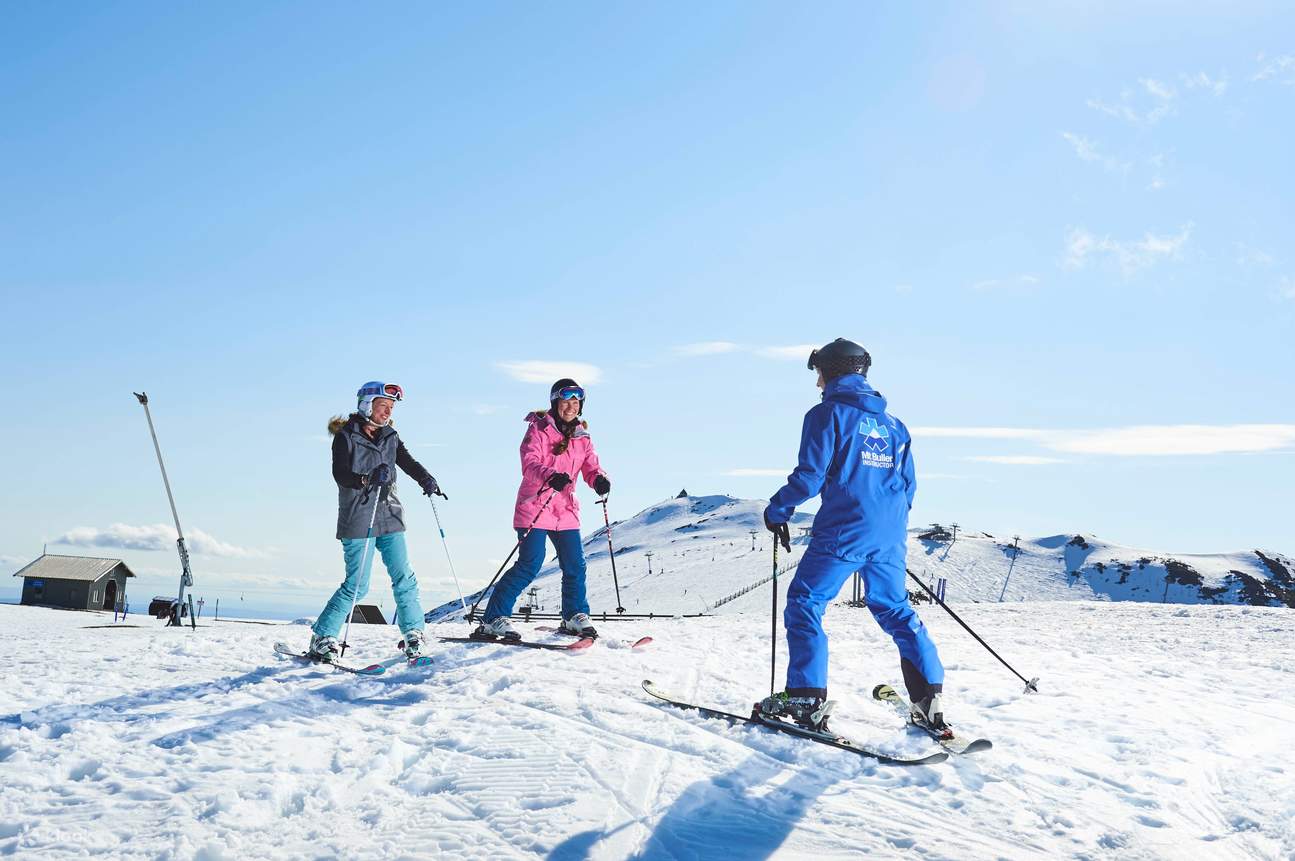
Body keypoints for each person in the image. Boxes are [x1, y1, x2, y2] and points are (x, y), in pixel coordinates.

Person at [757, 339, 947, 734]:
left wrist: (778, 510)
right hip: (890, 533)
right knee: (895, 610)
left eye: (818, 373)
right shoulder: (896, 426)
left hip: (844, 529)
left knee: (806, 602)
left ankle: (806, 698)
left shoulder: (827, 414)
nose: (816, 383)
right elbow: (908, 486)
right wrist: (884, 527)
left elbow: (809, 477)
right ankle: (930, 699)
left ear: (830, 370)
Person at [308, 381, 445, 663]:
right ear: (366, 405)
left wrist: (426, 479)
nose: (386, 412)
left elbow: (406, 461)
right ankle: (322, 636)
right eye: (382, 406)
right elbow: (340, 474)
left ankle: (414, 634)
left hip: (390, 515)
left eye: (390, 407)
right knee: (358, 585)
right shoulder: (346, 436)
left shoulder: (390, 436)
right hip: (359, 517)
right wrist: (366, 479)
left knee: (404, 578)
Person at [475, 378, 611, 642]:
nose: (571, 406)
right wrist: (551, 476)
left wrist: (599, 479)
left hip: (565, 509)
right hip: (535, 505)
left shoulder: (582, 436)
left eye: (576, 401)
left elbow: (590, 466)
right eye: (565, 401)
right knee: (530, 564)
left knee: (575, 564)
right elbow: (530, 462)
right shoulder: (538, 429)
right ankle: (494, 618)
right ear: (555, 402)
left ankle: (574, 615)